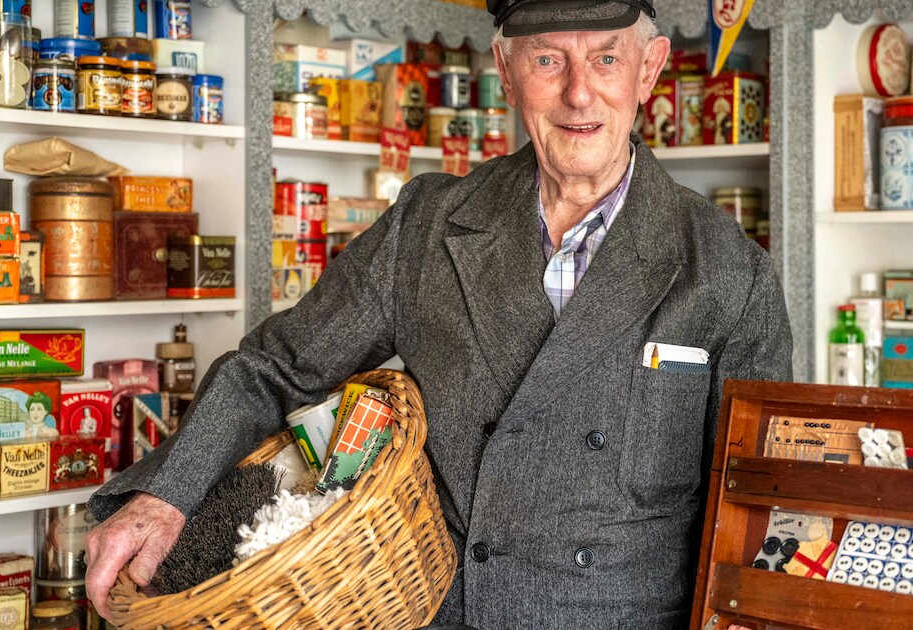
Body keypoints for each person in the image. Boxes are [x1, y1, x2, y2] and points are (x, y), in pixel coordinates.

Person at [83, 1, 793, 628]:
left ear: (649, 69)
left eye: (606, 57)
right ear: (507, 71)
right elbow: (276, 367)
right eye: (549, 60)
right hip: (442, 610)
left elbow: (754, 519)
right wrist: (164, 498)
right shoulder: (428, 225)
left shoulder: (732, 271)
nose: (580, 92)